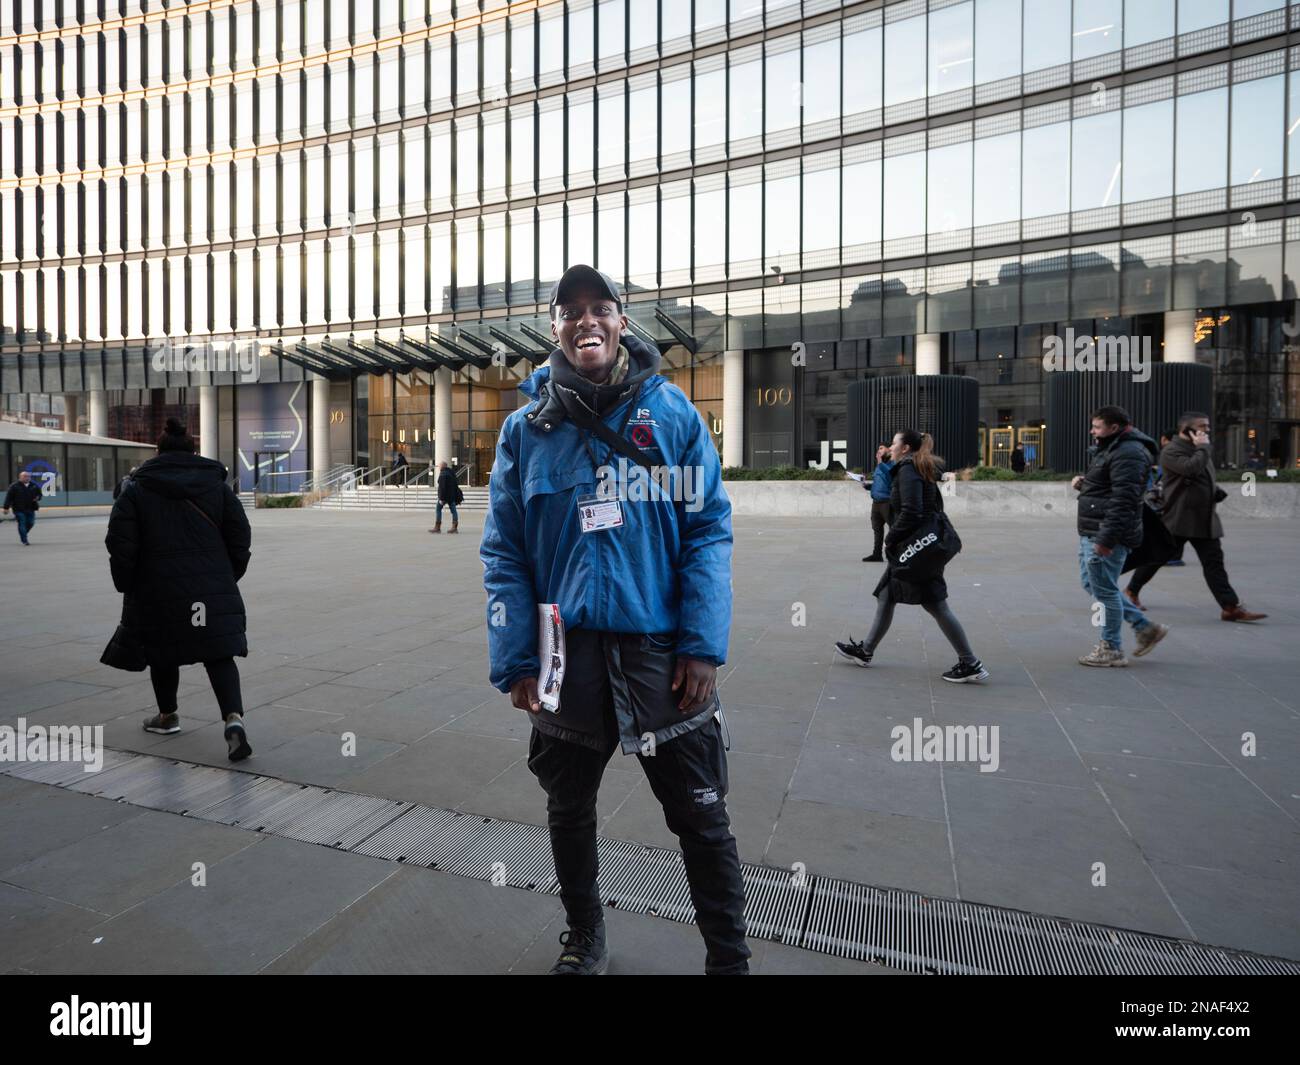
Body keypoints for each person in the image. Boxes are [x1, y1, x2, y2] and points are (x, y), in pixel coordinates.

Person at [481, 263, 749, 975]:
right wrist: (514, 657)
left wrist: (702, 643)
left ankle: (729, 958)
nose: (586, 320)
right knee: (569, 808)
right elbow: (504, 550)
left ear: (622, 322)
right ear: (556, 328)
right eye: (571, 311)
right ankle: (585, 935)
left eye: (600, 307)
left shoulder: (672, 416)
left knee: (701, 815)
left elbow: (709, 530)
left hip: (662, 652)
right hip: (566, 657)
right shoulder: (524, 432)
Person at [104, 418, 254, 761]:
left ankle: (168, 716)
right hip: (211, 585)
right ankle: (234, 720)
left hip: (158, 586)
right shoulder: (217, 486)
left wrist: (126, 582)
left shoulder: (137, 488)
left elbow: (120, 542)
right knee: (219, 652)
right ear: (194, 451)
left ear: (158, 451)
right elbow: (240, 536)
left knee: (162, 649)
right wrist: (226, 575)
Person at [836, 430, 989, 683]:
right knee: (887, 594)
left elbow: (912, 511)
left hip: (916, 549)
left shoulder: (908, 470)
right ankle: (866, 651)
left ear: (905, 448)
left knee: (936, 604)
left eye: (894, 443)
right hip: (918, 547)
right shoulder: (915, 466)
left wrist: (891, 538)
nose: (890, 447)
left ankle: (970, 662)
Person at [1125, 412, 1266, 622]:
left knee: (1214, 563)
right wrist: (1203, 448)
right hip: (1179, 518)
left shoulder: (1200, 450)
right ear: (1187, 430)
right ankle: (1131, 591)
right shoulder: (1172, 451)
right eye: (1202, 427)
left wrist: (1214, 490)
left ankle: (1230, 607)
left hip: (1204, 519)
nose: (1207, 430)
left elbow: (1202, 475)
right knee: (1157, 557)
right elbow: (1190, 469)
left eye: (1207, 426)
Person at [1070, 406, 1170, 667]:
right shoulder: (1113, 446)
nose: (1092, 431)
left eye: (1097, 427)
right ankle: (1144, 627)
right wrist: (1085, 483)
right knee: (1094, 585)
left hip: (1105, 532)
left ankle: (1111, 649)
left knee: (1105, 591)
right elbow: (1110, 485)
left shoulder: (1129, 452)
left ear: (1114, 427)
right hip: (1094, 528)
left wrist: (1106, 540)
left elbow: (1124, 500)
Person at [862, 443, 894, 562]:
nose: (879, 451)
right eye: (878, 449)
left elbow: (890, 476)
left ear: (888, 450)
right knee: (877, 530)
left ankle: (895, 554)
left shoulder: (892, 464)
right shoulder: (879, 466)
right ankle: (877, 554)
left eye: (881, 448)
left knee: (894, 528)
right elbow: (878, 483)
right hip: (876, 503)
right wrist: (867, 486)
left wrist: (880, 462)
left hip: (887, 502)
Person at [2, 470, 43, 545]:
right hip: (19, 509)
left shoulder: (34, 485)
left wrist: (38, 497)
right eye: (25, 476)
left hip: (31, 508)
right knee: (22, 523)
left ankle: (23, 533)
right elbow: (9, 498)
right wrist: (6, 508)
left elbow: (40, 494)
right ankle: (24, 540)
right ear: (20, 477)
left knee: (31, 523)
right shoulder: (14, 486)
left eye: (28, 476)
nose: (27, 478)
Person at [428, 460, 460, 534]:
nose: (438, 467)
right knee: (453, 511)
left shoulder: (443, 474)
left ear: (442, 466)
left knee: (438, 509)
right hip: (451, 496)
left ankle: (437, 527)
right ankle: (454, 527)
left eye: (439, 466)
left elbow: (442, 487)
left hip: (445, 496)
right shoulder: (451, 473)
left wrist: (441, 498)